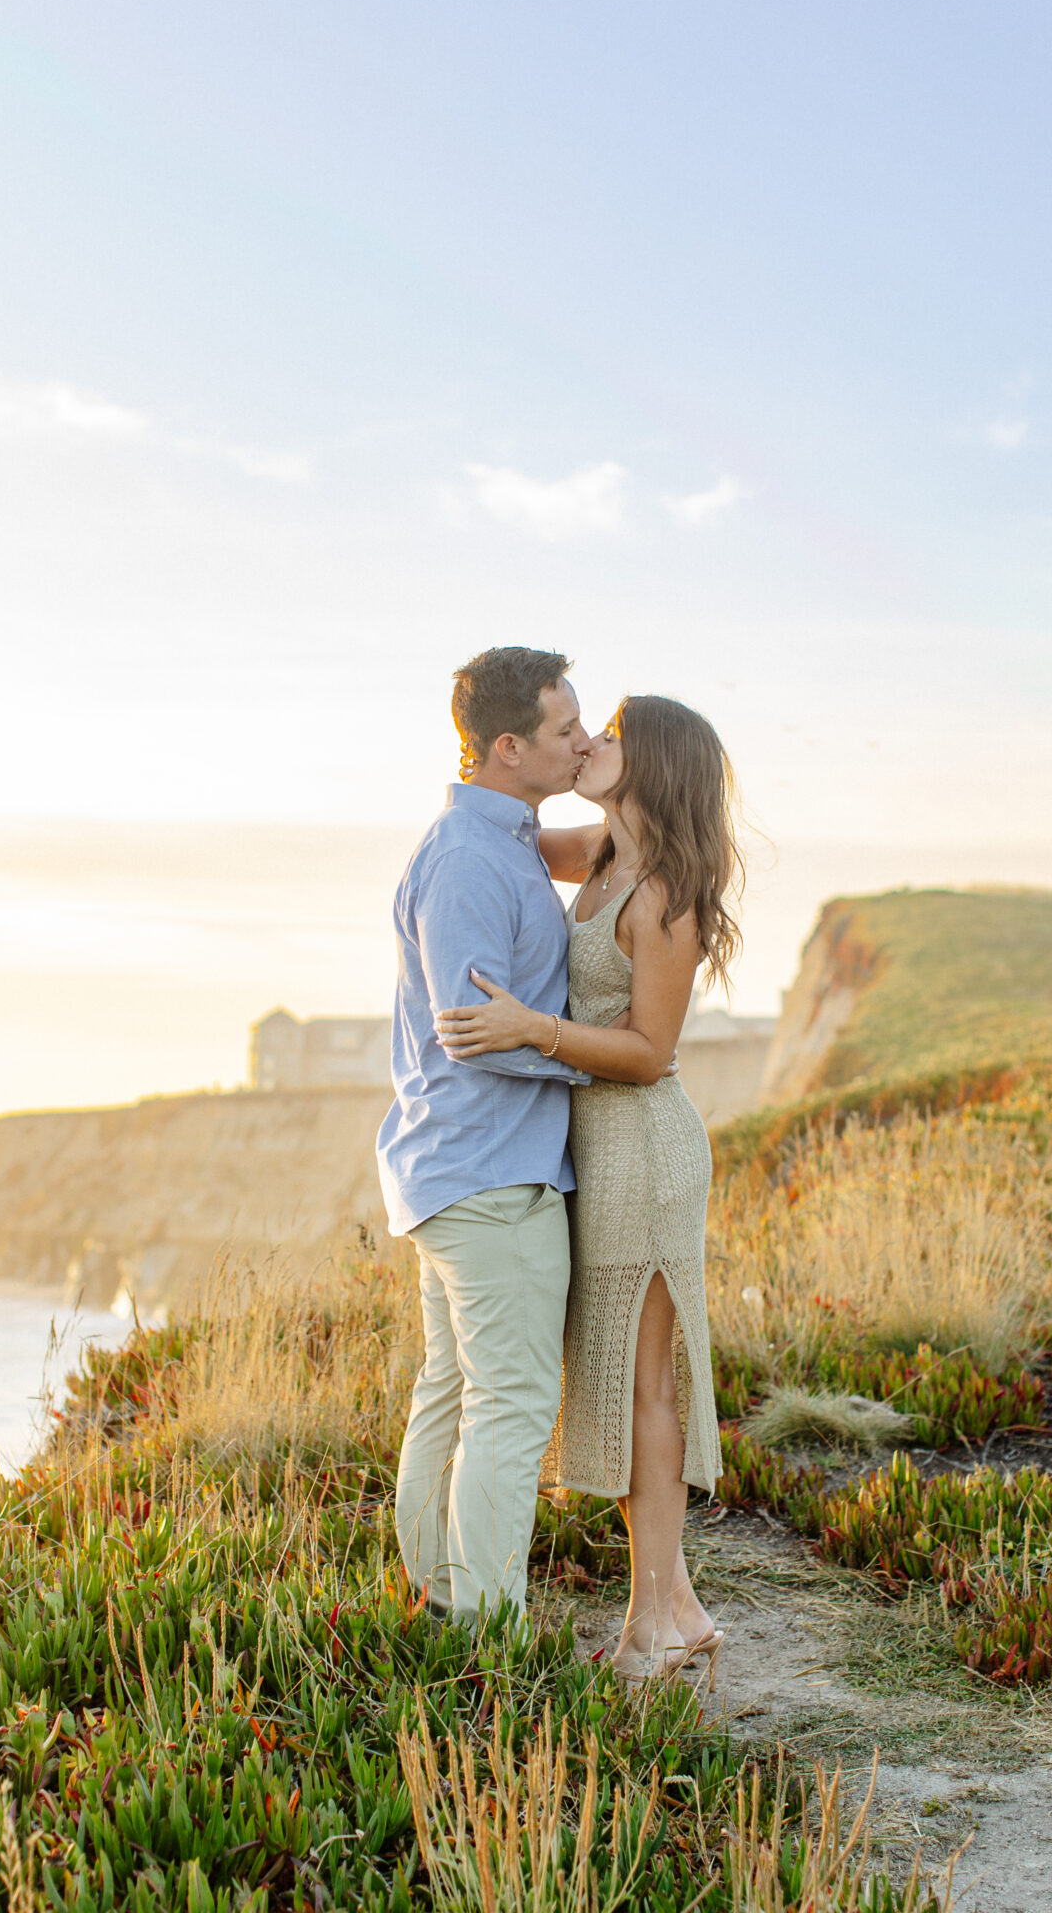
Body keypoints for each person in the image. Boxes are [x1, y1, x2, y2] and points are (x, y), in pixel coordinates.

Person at [438, 693, 741, 1680]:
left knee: (645, 1385)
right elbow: (512, 824)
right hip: (593, 1151)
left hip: (643, 1149)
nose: (590, 744)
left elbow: (651, 1052)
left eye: (609, 733)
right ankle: (671, 1604)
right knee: (616, 1380)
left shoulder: (667, 891)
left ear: (652, 762)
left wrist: (535, 1028)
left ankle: (662, 1611)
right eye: (585, 727)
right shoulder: (603, 852)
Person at [377, 645, 595, 1622]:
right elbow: (473, 1035)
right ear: (507, 746)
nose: (582, 740)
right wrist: (599, 1057)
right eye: (563, 729)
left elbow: (602, 845)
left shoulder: (501, 839)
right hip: (489, 1172)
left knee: (457, 1389)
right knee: (507, 1402)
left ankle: (437, 1599)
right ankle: (486, 1632)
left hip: (465, 1167)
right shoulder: (470, 859)